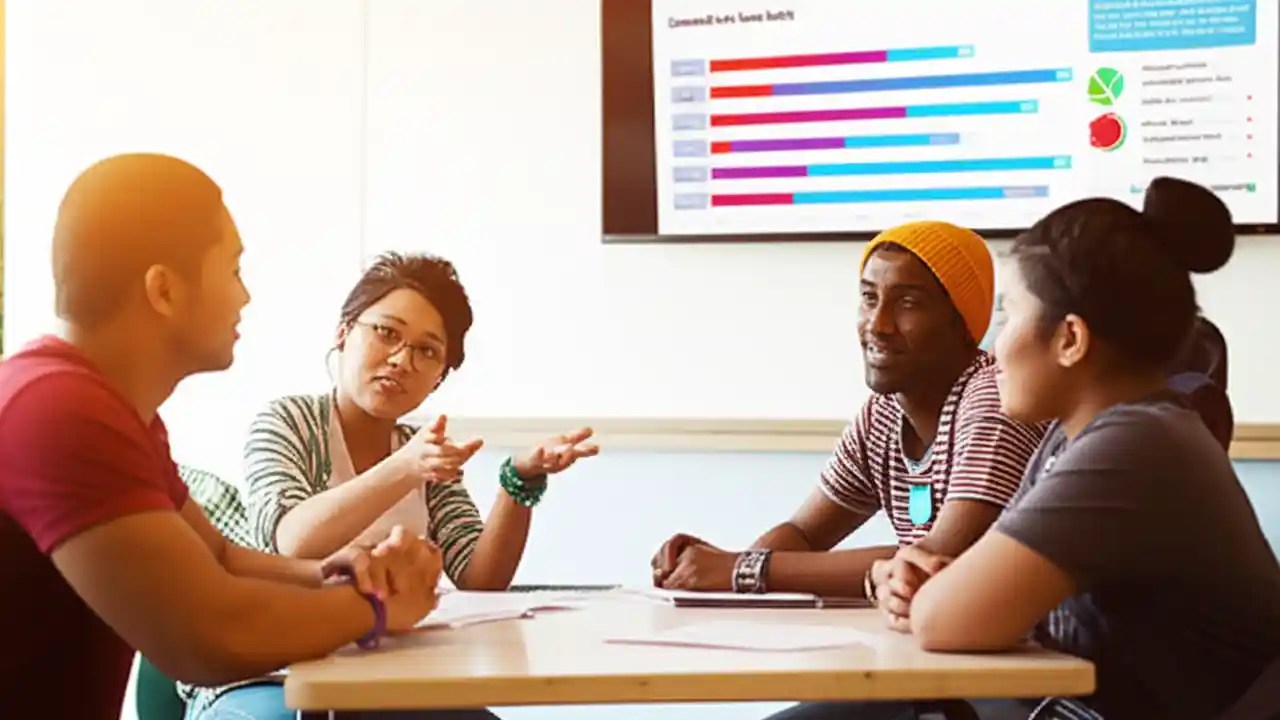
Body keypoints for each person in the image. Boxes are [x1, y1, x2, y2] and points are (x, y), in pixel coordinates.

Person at [0, 154, 441, 720]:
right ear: (164, 289)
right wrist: (376, 607)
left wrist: (332, 572)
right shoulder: (59, 409)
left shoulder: (113, 410)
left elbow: (219, 556)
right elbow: (206, 636)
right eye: (233, 270)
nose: (244, 296)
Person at [903, 178, 1280, 719]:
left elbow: (944, 621)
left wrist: (927, 596)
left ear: (1070, 339)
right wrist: (911, 580)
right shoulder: (1073, 438)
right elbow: (978, 591)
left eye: (1008, 314)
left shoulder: (1134, 446)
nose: (993, 347)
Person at [185, 251, 599, 718]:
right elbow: (290, 543)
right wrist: (405, 467)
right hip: (268, 669)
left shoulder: (422, 450)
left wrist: (519, 480)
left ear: (438, 378)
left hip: (388, 672)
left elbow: (480, 580)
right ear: (344, 332)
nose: (402, 359)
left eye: (427, 351)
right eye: (386, 332)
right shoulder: (289, 422)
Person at [651, 221, 1046, 610]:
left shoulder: (995, 398)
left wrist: (741, 569)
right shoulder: (884, 413)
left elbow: (937, 561)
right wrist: (711, 571)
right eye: (869, 298)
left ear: (962, 323)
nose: (878, 324)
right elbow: (803, 534)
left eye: (907, 303)